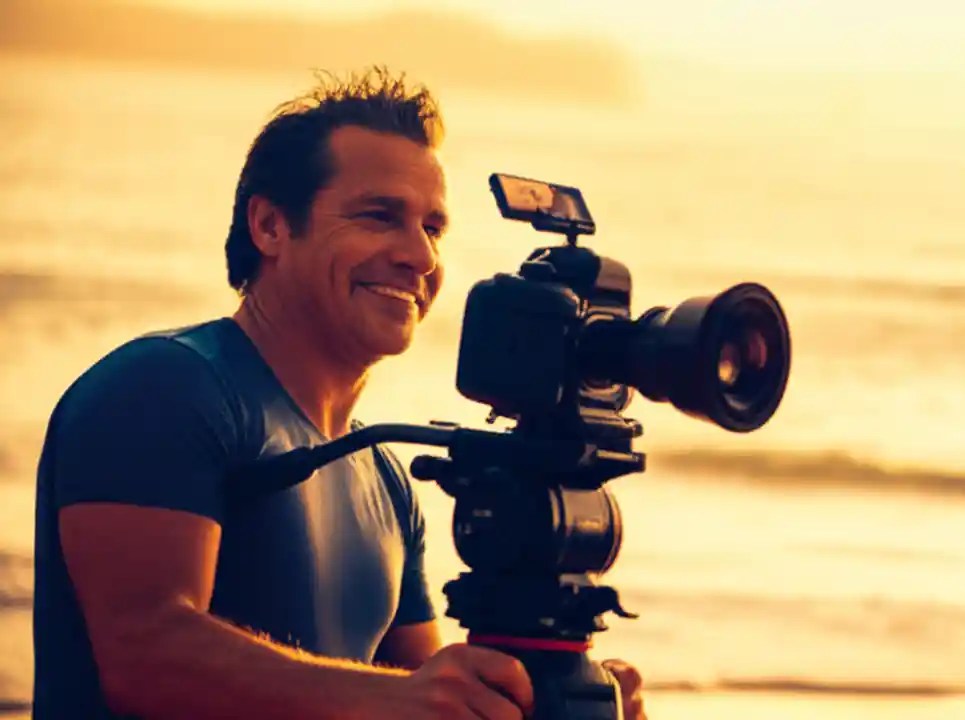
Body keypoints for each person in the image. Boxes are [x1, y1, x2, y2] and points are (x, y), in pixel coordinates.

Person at [32, 67, 646, 720]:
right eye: (380, 216)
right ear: (269, 226)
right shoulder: (164, 387)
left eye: (433, 228)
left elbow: (422, 703)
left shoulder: (382, 476)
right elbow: (143, 655)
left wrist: (542, 699)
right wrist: (396, 697)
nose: (421, 256)